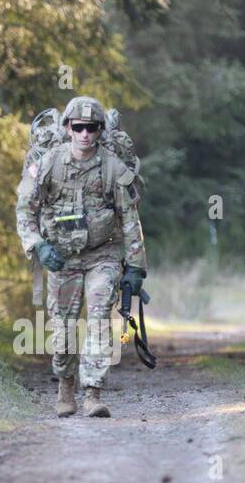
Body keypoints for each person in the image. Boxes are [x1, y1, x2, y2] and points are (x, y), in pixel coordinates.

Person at [15, 96, 148, 417]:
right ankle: (65, 386)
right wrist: (38, 246)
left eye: (91, 128)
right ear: (68, 129)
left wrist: (135, 266)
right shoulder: (49, 163)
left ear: (100, 130)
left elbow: (130, 219)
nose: (85, 134)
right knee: (62, 328)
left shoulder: (113, 167)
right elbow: (25, 209)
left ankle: (92, 393)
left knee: (100, 318)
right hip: (62, 257)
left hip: (102, 254)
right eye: (78, 127)